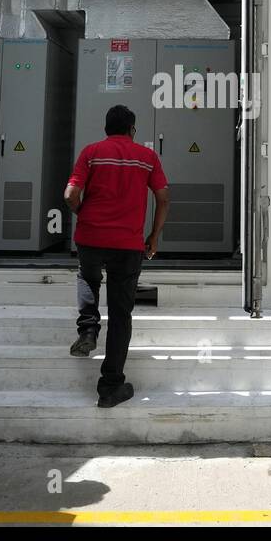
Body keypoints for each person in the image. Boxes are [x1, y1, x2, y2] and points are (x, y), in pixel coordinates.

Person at [64, 104, 170, 408]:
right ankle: (110, 386)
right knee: (121, 315)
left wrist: (83, 213)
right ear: (132, 129)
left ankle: (87, 330)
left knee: (88, 277)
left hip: (91, 236)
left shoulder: (92, 151)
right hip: (128, 244)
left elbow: (70, 194)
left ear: (106, 127)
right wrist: (153, 236)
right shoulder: (148, 157)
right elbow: (164, 198)